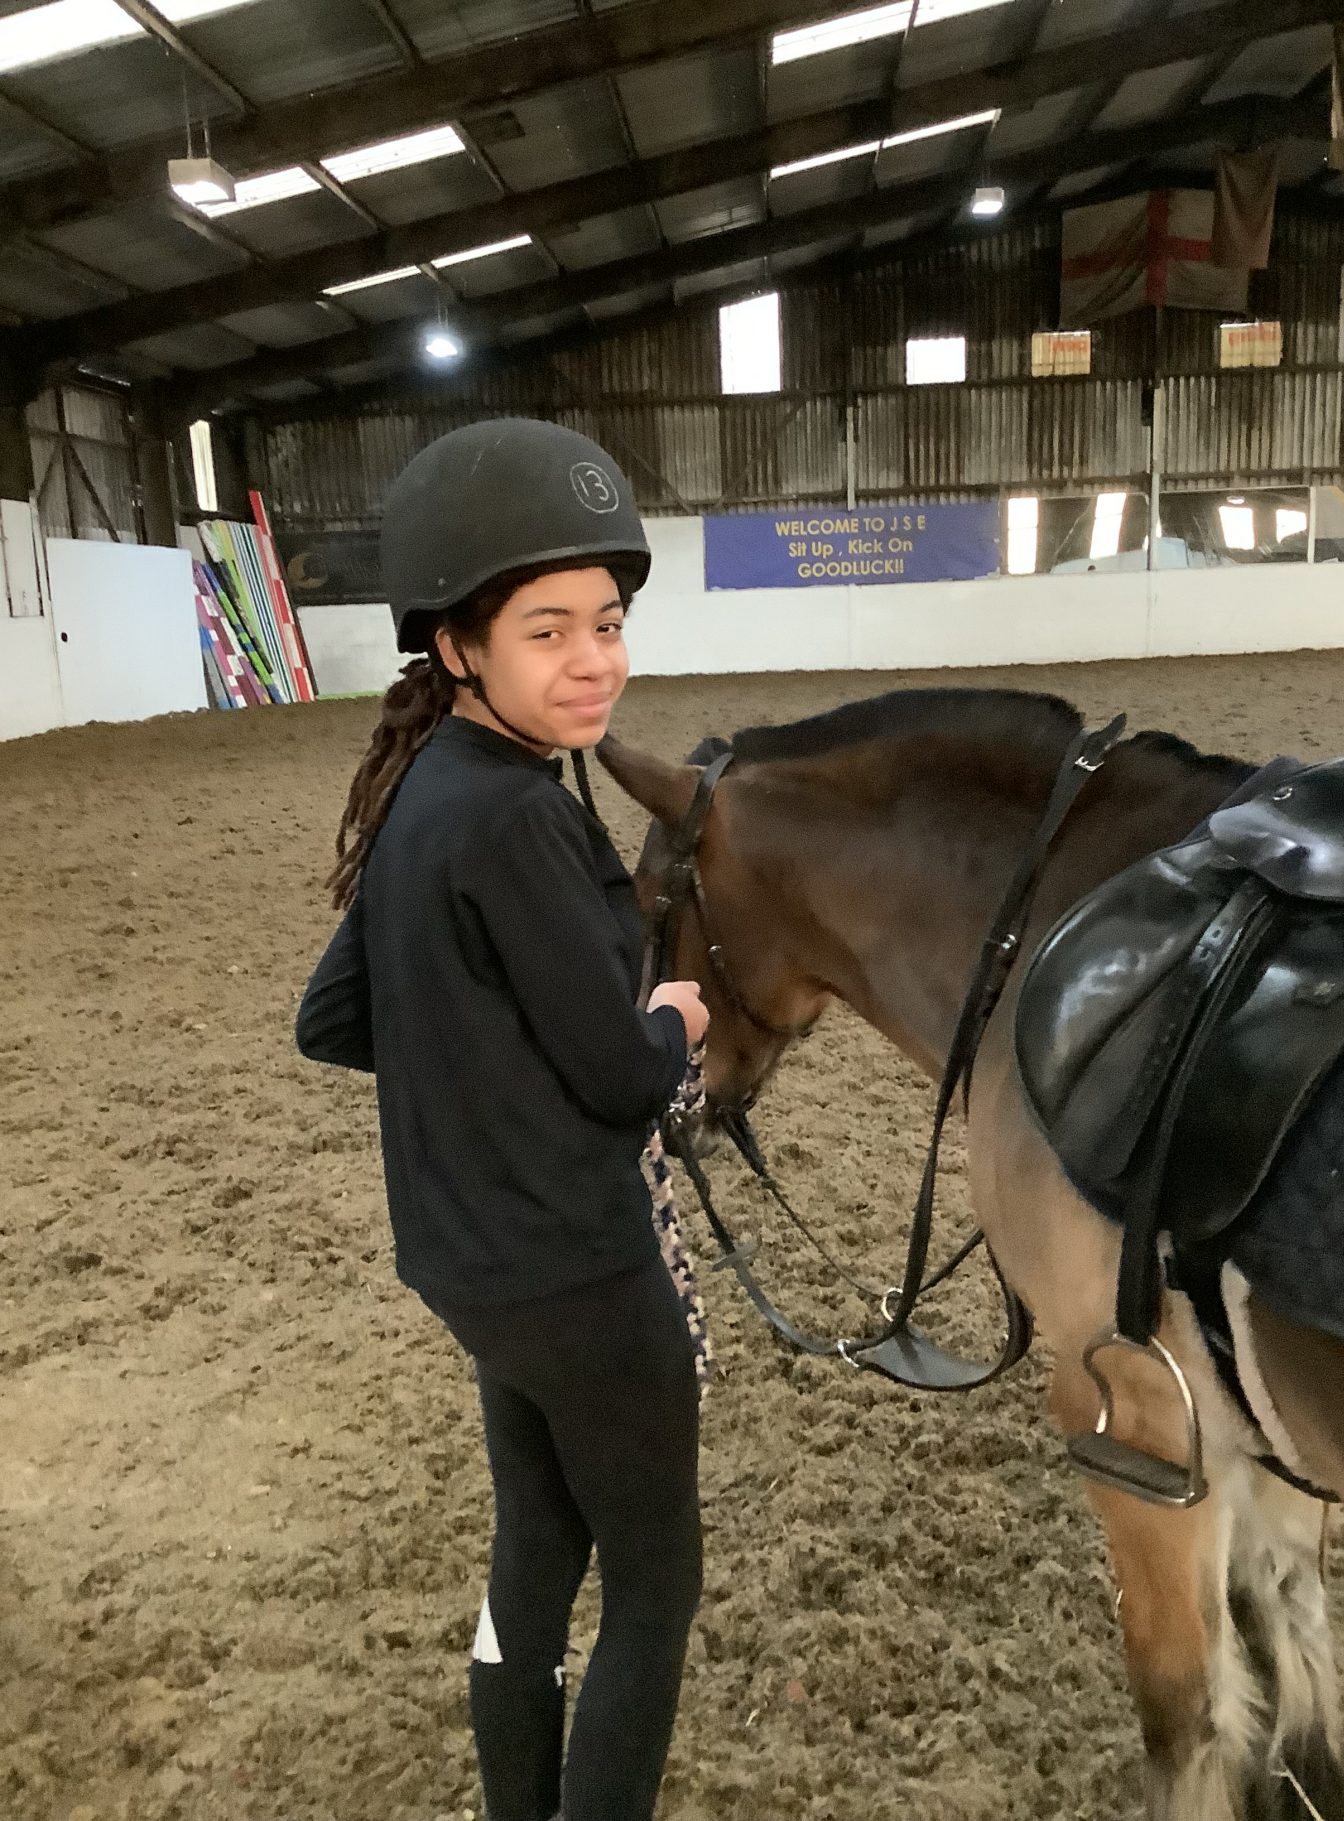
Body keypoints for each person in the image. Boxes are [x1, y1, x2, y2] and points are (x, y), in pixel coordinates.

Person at [295, 418, 710, 1821]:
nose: (596, 658)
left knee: (534, 1556)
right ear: (460, 647)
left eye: (606, 621)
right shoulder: (521, 818)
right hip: (582, 1277)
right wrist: (678, 1020)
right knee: (652, 1590)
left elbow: (335, 1017)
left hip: (472, 1271)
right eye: (550, 631)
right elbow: (618, 1073)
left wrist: (475, 1080)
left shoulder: (426, 788)